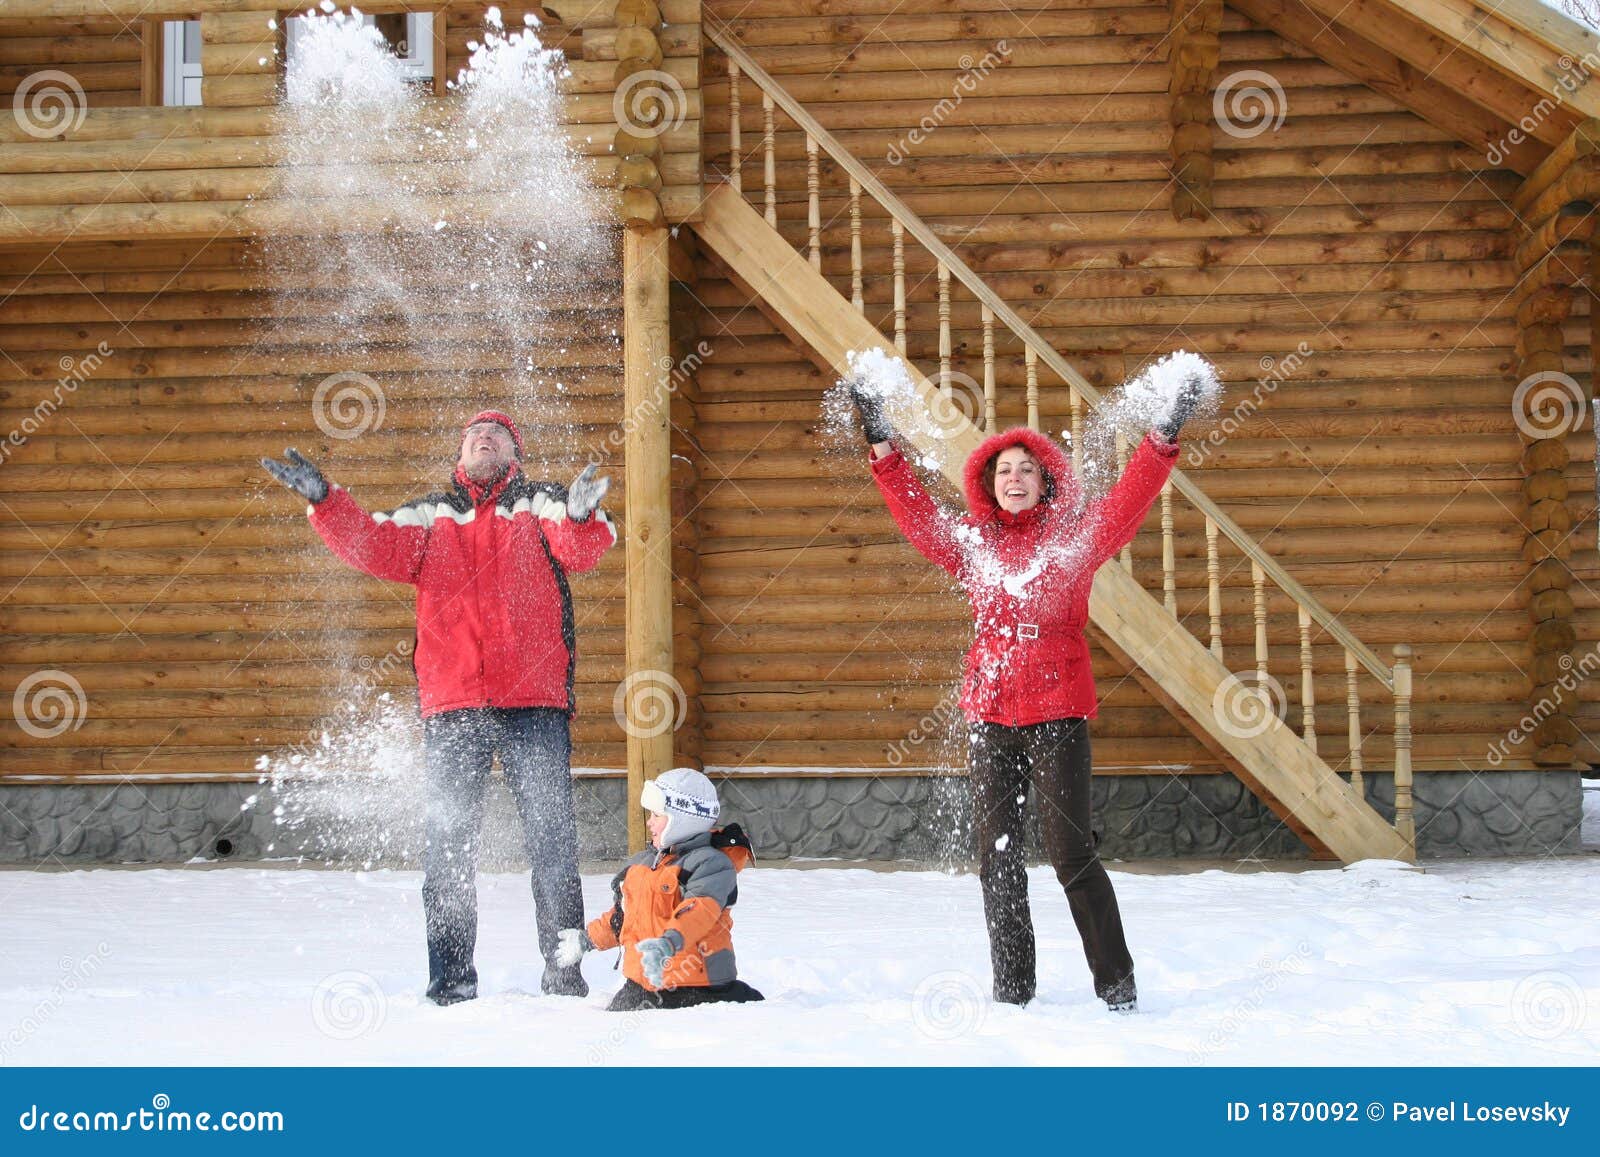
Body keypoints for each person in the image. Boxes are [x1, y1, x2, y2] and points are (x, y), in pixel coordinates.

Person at [850, 377, 1202, 1012]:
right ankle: (1013, 992)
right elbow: (918, 517)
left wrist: (1164, 436)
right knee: (999, 858)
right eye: (1003, 470)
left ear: (1046, 482)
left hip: (1059, 714)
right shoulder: (973, 546)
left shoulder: (1077, 541)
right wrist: (881, 443)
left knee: (1072, 855)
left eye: (1026, 470)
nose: (1014, 478)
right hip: (990, 718)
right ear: (988, 484)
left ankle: (1117, 989)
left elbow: (1129, 498)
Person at [262, 410, 616, 1006]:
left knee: (553, 846)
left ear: (515, 452)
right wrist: (326, 502)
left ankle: (564, 977)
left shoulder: (543, 504)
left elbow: (583, 549)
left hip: (535, 703)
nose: (486, 437)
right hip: (453, 706)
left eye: (499, 434)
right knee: (449, 850)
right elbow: (372, 545)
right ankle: (450, 983)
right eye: (476, 434)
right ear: (461, 453)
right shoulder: (431, 514)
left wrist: (581, 513)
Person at [556, 767, 763, 1011]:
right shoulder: (642, 865)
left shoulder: (711, 864)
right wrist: (586, 939)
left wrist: (666, 944)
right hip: (643, 984)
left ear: (682, 820)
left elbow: (698, 912)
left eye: (657, 815)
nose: (649, 822)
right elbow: (622, 919)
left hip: (697, 987)